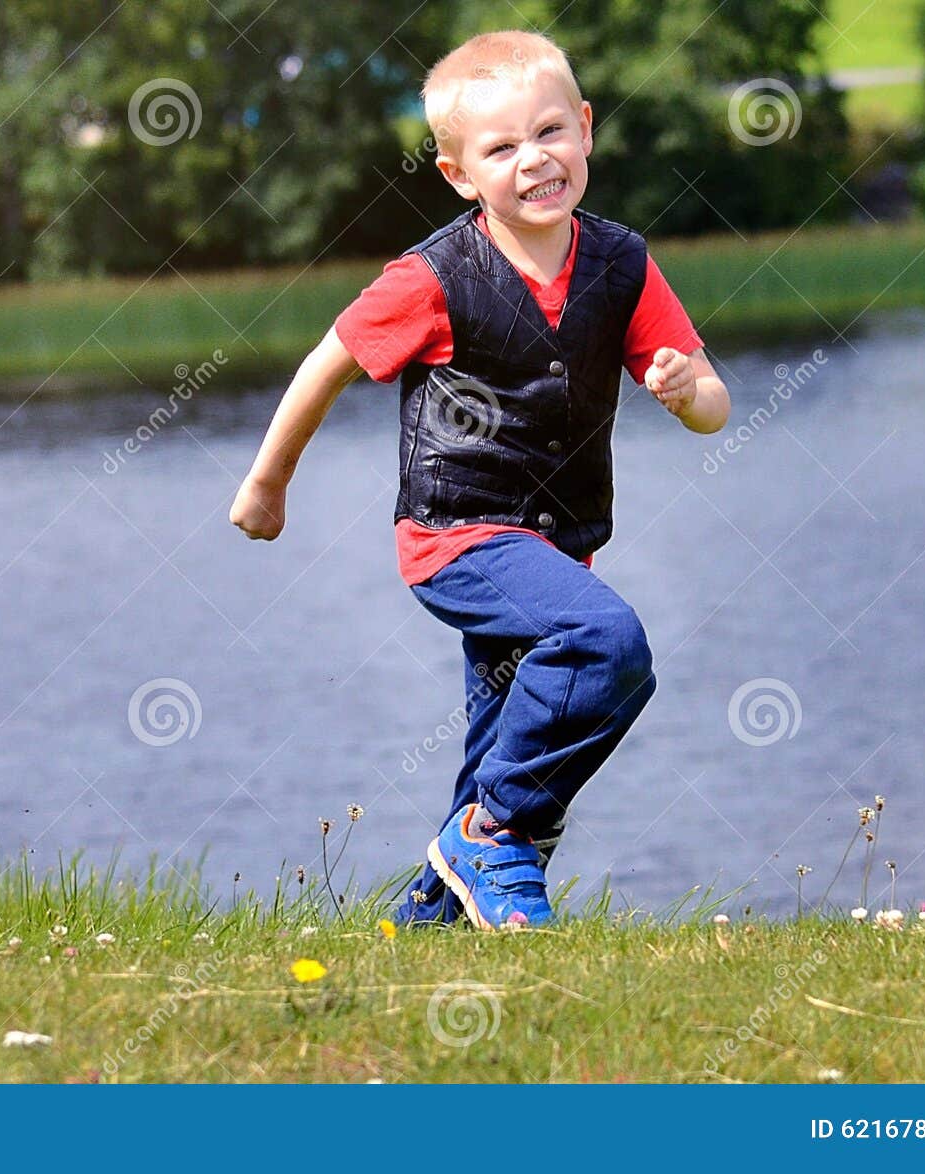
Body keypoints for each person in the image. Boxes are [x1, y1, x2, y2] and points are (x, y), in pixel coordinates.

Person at [229, 29, 729, 929]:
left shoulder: (620, 264)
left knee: (503, 733)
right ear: (461, 175)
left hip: (556, 545)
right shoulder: (432, 276)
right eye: (502, 148)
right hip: (455, 533)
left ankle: (429, 917)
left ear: (585, 128)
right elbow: (327, 362)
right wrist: (269, 484)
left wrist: (688, 390)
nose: (533, 160)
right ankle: (496, 834)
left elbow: (714, 404)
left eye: (550, 132)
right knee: (608, 647)